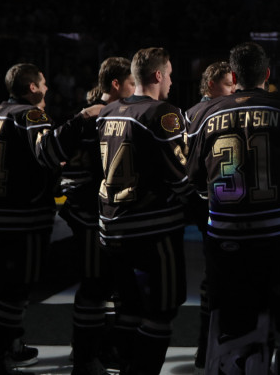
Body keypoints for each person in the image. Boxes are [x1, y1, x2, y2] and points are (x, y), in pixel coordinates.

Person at [186, 42, 280, 372]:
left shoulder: (202, 114)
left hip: (228, 239)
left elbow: (194, 180)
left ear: (233, 75)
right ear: (267, 74)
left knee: (235, 327)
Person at [0, 63, 102, 375]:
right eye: (43, 83)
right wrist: (81, 119)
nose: (48, 88)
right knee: (14, 294)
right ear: (33, 88)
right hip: (20, 221)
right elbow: (49, 153)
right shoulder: (31, 115)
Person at [96, 47, 195, 375]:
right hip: (152, 228)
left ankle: (124, 366)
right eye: (168, 73)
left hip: (111, 225)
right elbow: (181, 176)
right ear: (157, 75)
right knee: (161, 310)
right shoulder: (163, 113)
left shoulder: (108, 111)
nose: (170, 80)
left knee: (128, 309)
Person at [60, 56, 135, 375]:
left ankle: (98, 350)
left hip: (96, 212)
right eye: (131, 82)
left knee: (108, 287)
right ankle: (86, 356)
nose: (136, 88)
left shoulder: (95, 115)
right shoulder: (98, 117)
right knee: (96, 288)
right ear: (116, 84)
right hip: (94, 213)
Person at [183, 59, 236, 374]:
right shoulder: (198, 114)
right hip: (216, 206)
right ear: (212, 84)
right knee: (218, 278)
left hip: (215, 205)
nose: (233, 89)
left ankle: (209, 349)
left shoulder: (191, 114)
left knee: (216, 277)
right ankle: (210, 347)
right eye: (229, 84)